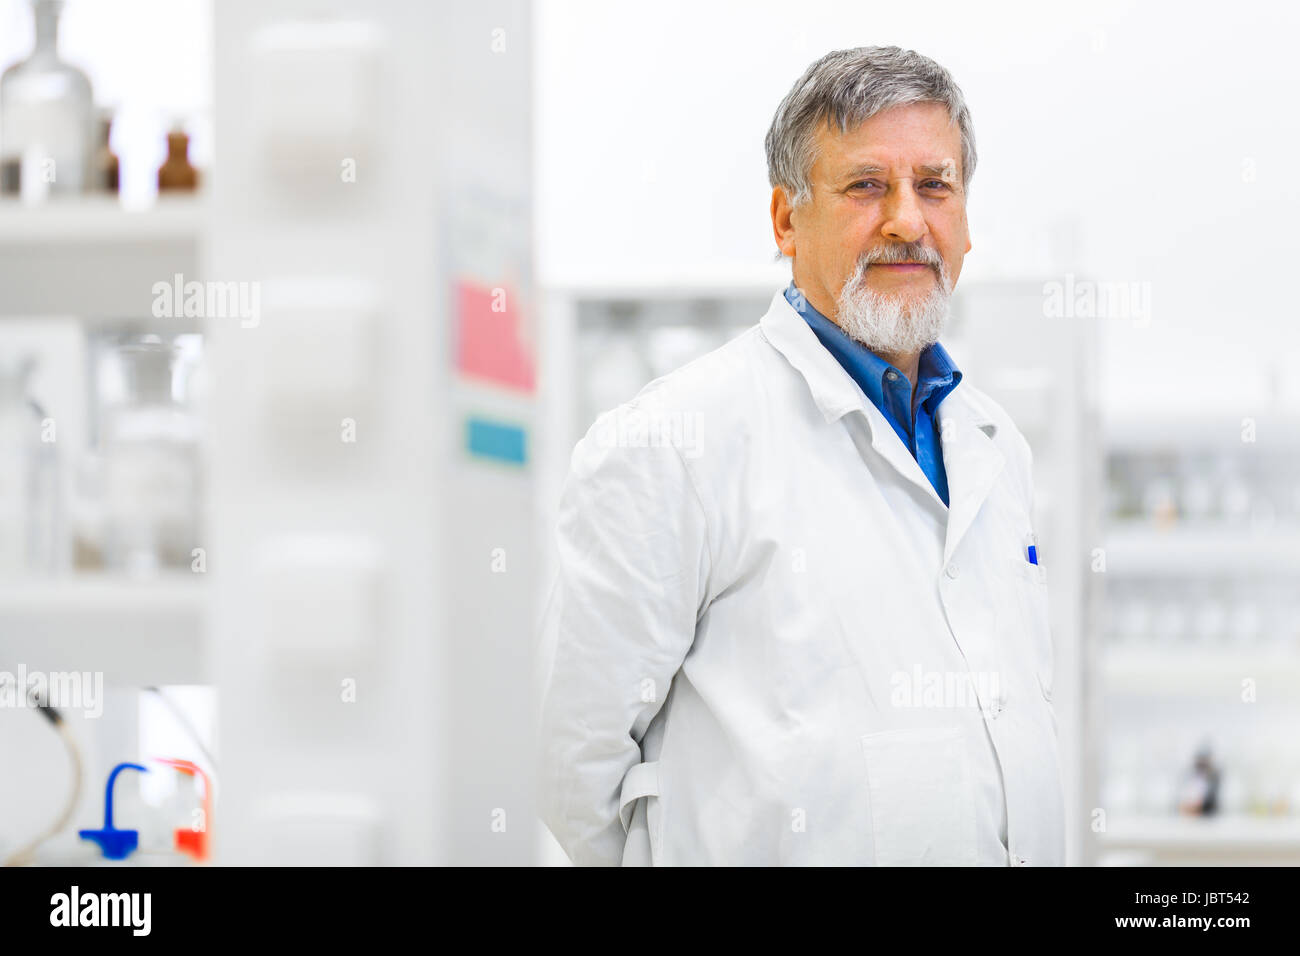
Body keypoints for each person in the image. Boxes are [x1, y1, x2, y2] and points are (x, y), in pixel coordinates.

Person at [537, 45, 1064, 866]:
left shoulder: (996, 445)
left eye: (935, 185)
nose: (907, 221)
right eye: (866, 186)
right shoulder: (673, 444)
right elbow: (570, 765)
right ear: (787, 218)